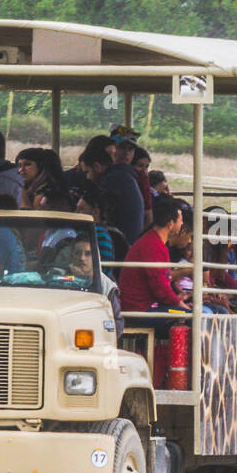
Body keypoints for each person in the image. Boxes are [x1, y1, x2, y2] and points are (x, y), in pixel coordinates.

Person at [118, 194, 191, 331]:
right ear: (170, 224)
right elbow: (160, 289)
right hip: (141, 311)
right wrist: (180, 304)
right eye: (180, 221)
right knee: (189, 316)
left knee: (186, 313)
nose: (182, 224)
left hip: (144, 307)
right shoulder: (153, 245)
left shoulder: (153, 241)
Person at [80, 137, 145, 248]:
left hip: (120, 248)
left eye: (87, 172)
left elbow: (91, 210)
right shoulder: (124, 176)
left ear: (97, 167)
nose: (87, 177)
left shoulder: (111, 181)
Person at [110, 124, 154, 226]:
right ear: (112, 148)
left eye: (130, 149)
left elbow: (148, 215)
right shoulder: (102, 171)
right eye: (121, 147)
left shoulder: (140, 178)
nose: (126, 153)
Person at [66, 134, 117, 201]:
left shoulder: (110, 179)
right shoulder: (69, 178)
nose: (113, 160)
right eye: (109, 155)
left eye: (114, 155)